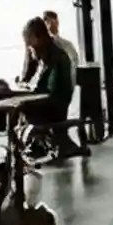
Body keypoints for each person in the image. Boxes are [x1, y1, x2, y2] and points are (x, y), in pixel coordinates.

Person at [22, 17, 83, 158]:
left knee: (20, 107)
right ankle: (35, 143)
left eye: (30, 44)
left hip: (54, 110)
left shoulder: (57, 58)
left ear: (40, 38)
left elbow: (53, 96)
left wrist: (27, 98)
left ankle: (39, 143)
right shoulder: (44, 56)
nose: (29, 48)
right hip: (49, 105)